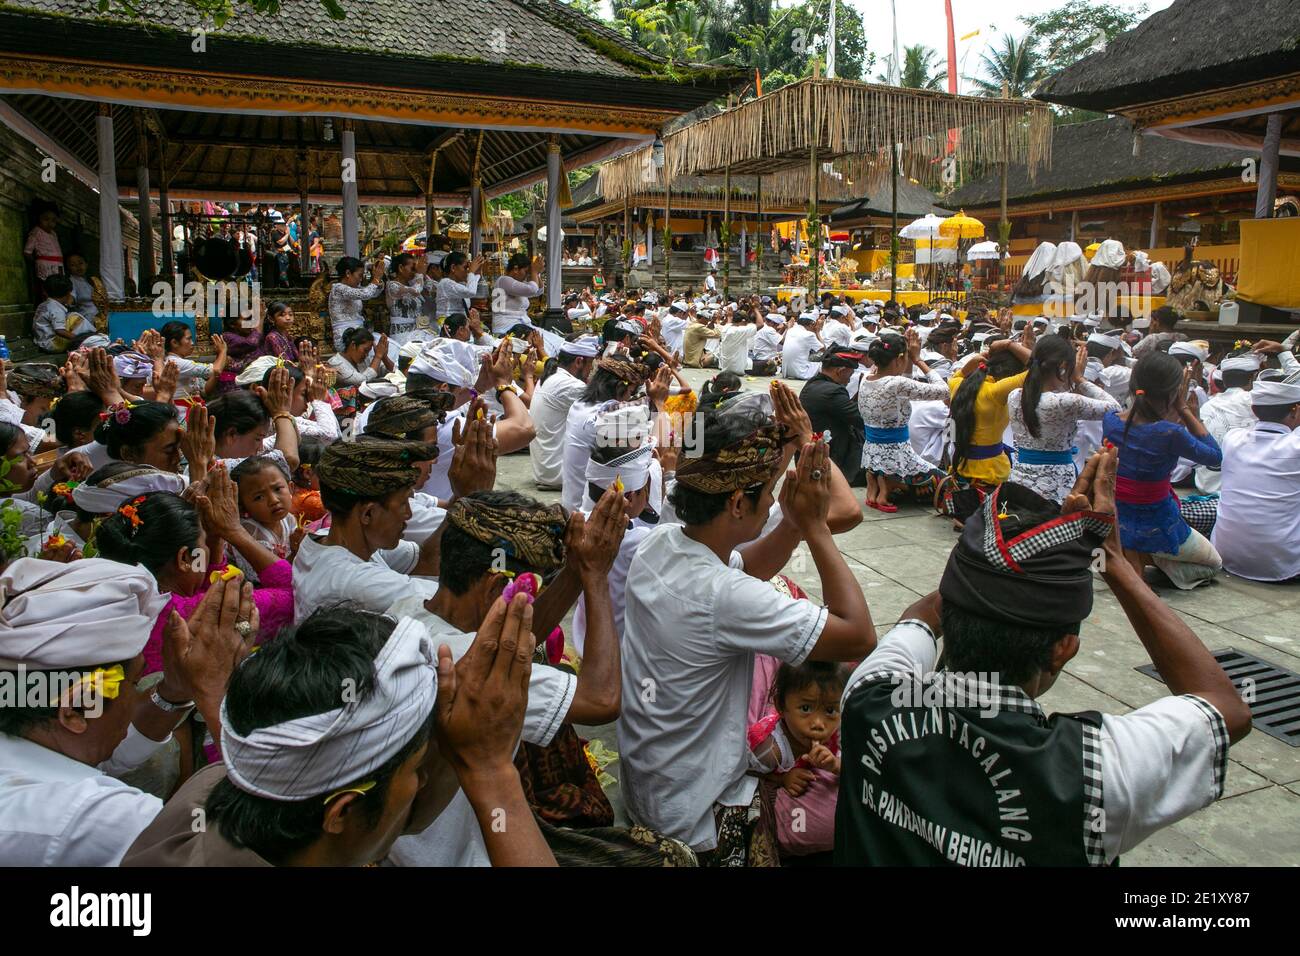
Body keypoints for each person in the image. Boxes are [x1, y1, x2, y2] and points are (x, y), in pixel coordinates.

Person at [836, 450, 1250, 865]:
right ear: (1063, 650)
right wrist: (1112, 560)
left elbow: (919, 618)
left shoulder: (869, 697)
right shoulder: (1091, 772)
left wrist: (998, 558)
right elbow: (1225, 709)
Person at [618, 393, 875, 864]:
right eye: (770, 493)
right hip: (697, 810)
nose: (776, 501)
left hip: (654, 780)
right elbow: (859, 634)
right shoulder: (722, 595)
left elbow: (750, 565)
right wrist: (816, 528)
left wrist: (795, 523)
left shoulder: (662, 544)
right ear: (738, 503)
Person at [123, 598, 556, 867]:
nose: (425, 782)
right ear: (341, 813)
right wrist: (493, 774)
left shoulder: (215, 786)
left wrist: (215, 690)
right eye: (419, 769)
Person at [382, 488, 624, 866]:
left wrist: (576, 573)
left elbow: (515, 635)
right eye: (533, 591)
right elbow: (602, 699)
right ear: (498, 589)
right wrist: (596, 577)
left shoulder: (414, 604)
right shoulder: (455, 656)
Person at [0, 562, 251, 865]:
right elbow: (235, 853)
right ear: (77, 709)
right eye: (133, 684)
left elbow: (109, 757)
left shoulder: (30, 748)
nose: (136, 696)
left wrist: (175, 690)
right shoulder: (97, 818)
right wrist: (215, 694)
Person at [95, 476, 293, 674]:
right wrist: (233, 531)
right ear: (183, 558)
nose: (204, 552)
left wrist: (213, 542)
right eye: (203, 543)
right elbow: (293, 592)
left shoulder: (123, 593)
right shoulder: (189, 612)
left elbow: (195, 574)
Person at [1103, 351, 1223, 589]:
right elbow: (1215, 456)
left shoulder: (1111, 420)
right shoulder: (1171, 433)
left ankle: (1134, 554)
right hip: (1156, 520)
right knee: (1214, 564)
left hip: (1118, 517)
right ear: (1173, 392)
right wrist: (1185, 410)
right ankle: (1148, 555)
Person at [292, 437, 443, 618]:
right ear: (367, 514)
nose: (408, 514)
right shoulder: (353, 582)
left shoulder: (325, 538)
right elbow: (450, 604)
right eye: (403, 503)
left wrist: (460, 496)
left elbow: (424, 559)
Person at [747, 658, 847, 861]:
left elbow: (860, 767)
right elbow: (744, 772)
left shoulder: (838, 731)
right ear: (781, 705)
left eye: (830, 711)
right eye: (806, 709)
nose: (818, 724)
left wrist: (835, 765)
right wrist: (782, 779)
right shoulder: (771, 749)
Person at [1008, 335, 1120, 504]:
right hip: (1056, 485)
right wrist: (1080, 379)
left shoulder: (1014, 396)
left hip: (1018, 478)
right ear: (1063, 367)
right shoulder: (1064, 402)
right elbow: (1115, 410)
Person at [1211, 375, 1300, 583]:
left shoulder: (1233, 439)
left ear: (1253, 411)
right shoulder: (1295, 445)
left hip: (1226, 554)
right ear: (1295, 410)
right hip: (1282, 564)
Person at [858, 331, 947, 513]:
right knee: (946, 485)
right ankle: (891, 483)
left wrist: (908, 357)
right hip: (898, 457)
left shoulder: (866, 378)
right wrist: (918, 360)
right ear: (900, 358)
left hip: (871, 455)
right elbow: (944, 391)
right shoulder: (897, 384)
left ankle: (878, 485)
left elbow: (902, 383)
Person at [947, 334, 1031, 509]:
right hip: (990, 472)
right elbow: (1042, 368)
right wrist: (1009, 344)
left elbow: (960, 373)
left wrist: (978, 359)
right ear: (1010, 374)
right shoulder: (997, 391)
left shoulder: (957, 385)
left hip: (960, 468)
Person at [529, 335, 598, 490]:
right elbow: (607, 409)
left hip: (546, 470)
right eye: (591, 364)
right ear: (579, 361)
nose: (592, 369)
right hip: (557, 473)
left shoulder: (551, 376)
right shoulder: (570, 385)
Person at [1194, 350, 1263, 495]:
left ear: (1224, 381)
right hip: (1237, 489)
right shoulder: (1255, 402)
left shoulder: (1208, 404)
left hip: (1205, 483)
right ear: (1252, 379)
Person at [800, 348, 865, 486]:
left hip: (811, 455)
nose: (849, 379)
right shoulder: (833, 392)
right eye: (850, 374)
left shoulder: (813, 383)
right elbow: (862, 420)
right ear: (840, 371)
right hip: (832, 461)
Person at [327, 256, 384, 351]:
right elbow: (366, 294)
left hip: (359, 333)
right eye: (359, 275)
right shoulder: (338, 288)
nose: (361, 279)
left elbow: (373, 294)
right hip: (346, 336)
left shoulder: (355, 289)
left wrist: (378, 279)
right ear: (348, 273)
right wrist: (376, 279)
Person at [160, 320, 228, 400]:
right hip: (182, 410)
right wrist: (223, 351)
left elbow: (205, 391)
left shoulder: (175, 360)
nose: (192, 343)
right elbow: (216, 369)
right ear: (175, 343)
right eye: (188, 339)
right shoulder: (176, 363)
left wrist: (218, 357)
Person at [32, 275, 97, 353]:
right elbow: (59, 330)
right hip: (53, 345)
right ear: (68, 294)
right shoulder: (56, 309)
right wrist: (77, 339)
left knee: (69, 316)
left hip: (42, 342)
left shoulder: (44, 304)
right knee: (74, 317)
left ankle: (91, 337)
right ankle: (93, 339)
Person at [385, 252, 434, 346]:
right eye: (412, 268)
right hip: (402, 335)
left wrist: (423, 273)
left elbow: (429, 290)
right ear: (400, 268)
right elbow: (416, 290)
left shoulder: (412, 284)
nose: (414, 271)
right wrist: (419, 274)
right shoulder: (392, 285)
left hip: (420, 330)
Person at [492, 253, 544, 335]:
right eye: (526, 272)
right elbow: (532, 289)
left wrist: (536, 273)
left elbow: (539, 291)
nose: (527, 275)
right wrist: (534, 271)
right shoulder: (503, 280)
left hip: (520, 326)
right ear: (516, 269)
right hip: (506, 328)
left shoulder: (518, 283)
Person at [436, 251, 483, 321]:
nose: (468, 271)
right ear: (453, 268)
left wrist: (477, 273)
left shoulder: (460, 284)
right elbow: (471, 292)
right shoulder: (445, 283)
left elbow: (472, 286)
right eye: (465, 267)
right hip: (447, 326)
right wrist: (472, 272)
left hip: (460, 325)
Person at [782, 313, 822, 380]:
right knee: (826, 364)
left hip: (787, 372)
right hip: (802, 372)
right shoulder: (809, 334)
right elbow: (824, 350)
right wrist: (817, 332)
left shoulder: (790, 330)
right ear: (812, 324)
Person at [718, 310, 753, 376]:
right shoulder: (738, 330)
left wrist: (729, 316)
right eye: (746, 323)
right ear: (743, 321)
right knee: (770, 363)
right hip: (737, 368)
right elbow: (760, 324)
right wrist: (755, 309)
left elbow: (729, 323)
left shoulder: (727, 328)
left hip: (725, 366)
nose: (746, 325)